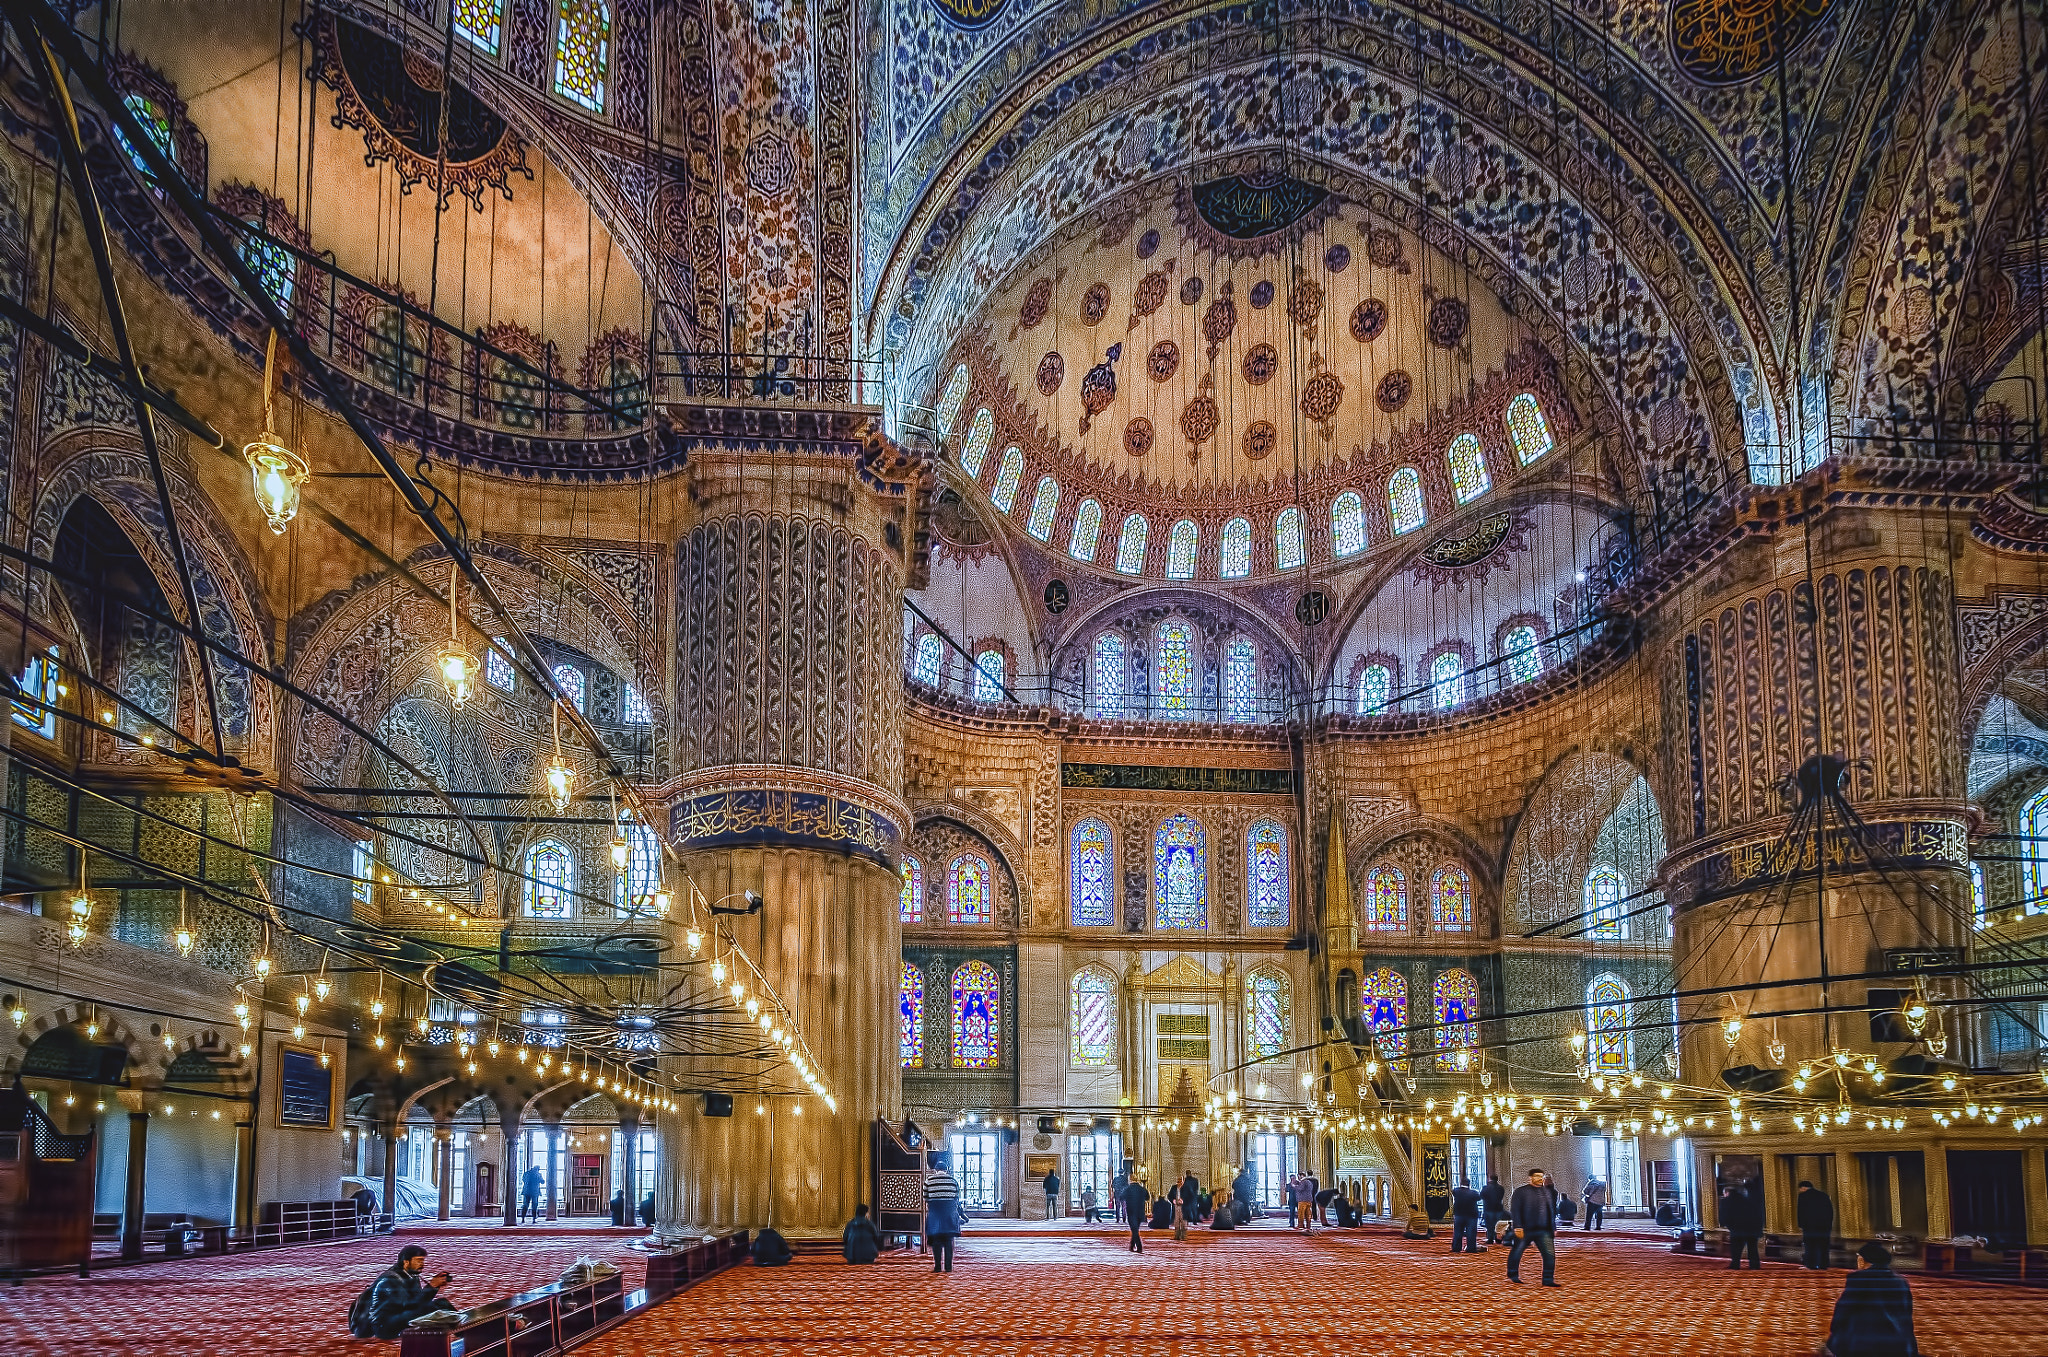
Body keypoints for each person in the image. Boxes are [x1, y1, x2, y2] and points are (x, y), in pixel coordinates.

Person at [1825, 1242, 1919, 1357]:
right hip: (1897, 1343)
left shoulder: (1860, 1279)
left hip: (1863, 1344)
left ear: (1863, 1260)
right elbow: (1906, 1317)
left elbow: (1843, 1311)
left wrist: (1834, 1336)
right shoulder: (1901, 1282)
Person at [355, 1245, 455, 1339]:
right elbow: (407, 1305)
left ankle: (465, 1331)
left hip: (400, 1316)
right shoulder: (390, 1280)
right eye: (419, 1261)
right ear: (406, 1262)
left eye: (423, 1260)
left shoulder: (412, 1276)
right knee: (435, 1308)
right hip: (385, 1327)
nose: (422, 1264)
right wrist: (431, 1287)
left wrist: (434, 1286)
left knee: (442, 1303)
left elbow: (418, 1300)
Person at [1506, 1168, 1560, 1287]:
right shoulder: (1520, 1192)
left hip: (1544, 1229)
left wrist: (1553, 1227)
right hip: (1525, 1229)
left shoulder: (1547, 1192)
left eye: (1541, 1176)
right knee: (1517, 1251)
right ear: (1530, 1178)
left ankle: (1548, 1279)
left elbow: (1551, 1210)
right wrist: (1518, 1226)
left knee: (1550, 1255)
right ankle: (1513, 1274)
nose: (1540, 1178)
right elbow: (1515, 1210)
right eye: (1536, 1176)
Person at [923, 1153, 965, 1273]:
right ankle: (948, 1267)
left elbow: (925, 1197)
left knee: (936, 1241)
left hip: (935, 1214)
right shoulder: (953, 1181)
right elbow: (956, 1198)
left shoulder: (929, 1181)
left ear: (935, 1170)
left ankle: (937, 1267)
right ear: (946, 1170)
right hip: (949, 1215)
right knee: (948, 1241)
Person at [1722, 1183, 1764, 1270]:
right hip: (1752, 1228)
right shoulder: (1746, 1199)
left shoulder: (1727, 1201)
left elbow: (1725, 1216)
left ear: (1727, 1193)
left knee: (1736, 1249)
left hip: (1737, 1229)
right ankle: (1754, 1265)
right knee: (1752, 1248)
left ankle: (1735, 1264)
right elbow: (1757, 1214)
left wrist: (1729, 1226)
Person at [1799, 1179, 1837, 1270]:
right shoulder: (1823, 1195)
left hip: (1809, 1226)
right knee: (1824, 1246)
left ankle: (1811, 1264)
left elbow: (1801, 1212)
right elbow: (1830, 1211)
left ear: (1803, 1188)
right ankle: (1824, 1264)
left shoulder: (1803, 1196)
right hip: (1824, 1226)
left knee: (1810, 1246)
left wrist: (1801, 1225)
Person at [1450, 1180, 1484, 1253]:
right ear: (1469, 1184)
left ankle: (1456, 1248)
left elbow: (1453, 1192)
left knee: (1458, 1232)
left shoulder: (1456, 1191)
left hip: (1459, 1215)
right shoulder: (1474, 1193)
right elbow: (1479, 1198)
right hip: (1471, 1216)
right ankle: (1471, 1248)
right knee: (1471, 1233)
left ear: (1461, 1183)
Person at [1121, 1175, 1151, 1253]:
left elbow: (1121, 1197)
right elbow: (1147, 1198)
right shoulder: (1142, 1189)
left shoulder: (1127, 1189)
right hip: (1140, 1212)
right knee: (1135, 1229)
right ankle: (1131, 1245)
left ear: (1130, 1180)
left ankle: (1139, 1246)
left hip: (1131, 1212)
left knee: (1134, 1230)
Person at [1480, 1174, 1507, 1244]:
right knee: (1497, 1225)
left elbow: (1481, 1196)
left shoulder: (1485, 1188)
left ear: (1490, 1179)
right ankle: (1498, 1239)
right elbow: (1501, 1197)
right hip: (1498, 1209)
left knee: (1489, 1225)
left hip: (1488, 1209)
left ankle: (1490, 1239)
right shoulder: (1501, 1188)